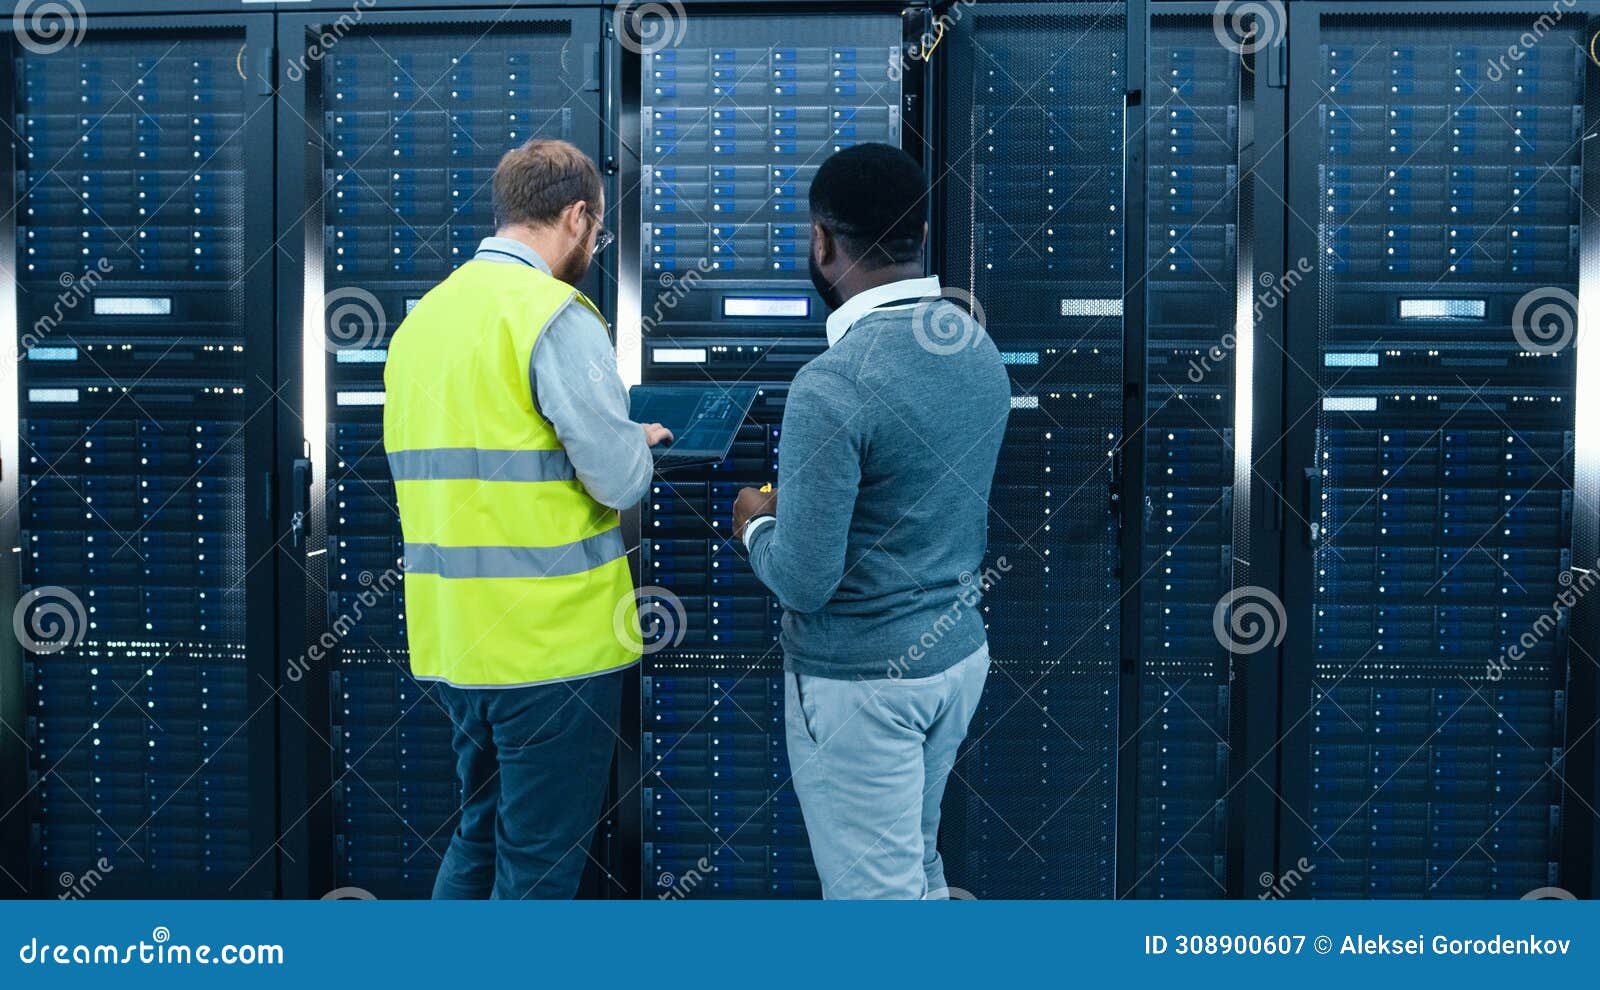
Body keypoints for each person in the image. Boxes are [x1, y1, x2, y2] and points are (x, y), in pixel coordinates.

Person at [383, 138, 671, 899]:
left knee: (478, 836)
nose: (594, 247)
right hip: (550, 648)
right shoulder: (553, 315)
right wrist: (632, 442)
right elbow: (617, 479)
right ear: (577, 216)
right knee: (538, 864)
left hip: (459, 642)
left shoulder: (424, 321)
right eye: (597, 230)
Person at [731, 143, 1011, 899]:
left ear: (822, 242)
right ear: (922, 234)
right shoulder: (976, 346)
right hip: (954, 658)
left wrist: (755, 523)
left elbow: (804, 581)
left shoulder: (833, 383)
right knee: (918, 867)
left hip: (865, 683)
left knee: (875, 906)